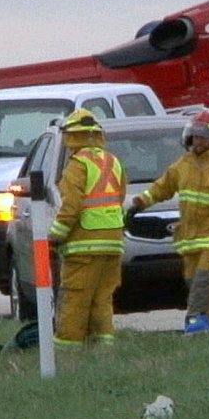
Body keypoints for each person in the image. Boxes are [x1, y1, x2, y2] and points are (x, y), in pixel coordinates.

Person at [128, 110, 209, 333]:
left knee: (204, 279)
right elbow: (164, 186)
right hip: (190, 239)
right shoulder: (183, 164)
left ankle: (197, 322)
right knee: (195, 282)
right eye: (195, 136)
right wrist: (141, 202)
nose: (198, 141)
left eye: (203, 136)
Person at [48, 109, 127, 348]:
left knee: (75, 297)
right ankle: (103, 348)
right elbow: (120, 197)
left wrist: (55, 235)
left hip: (84, 243)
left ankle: (68, 349)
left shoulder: (77, 164)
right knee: (102, 298)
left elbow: (71, 206)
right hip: (113, 242)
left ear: (72, 137)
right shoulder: (113, 161)